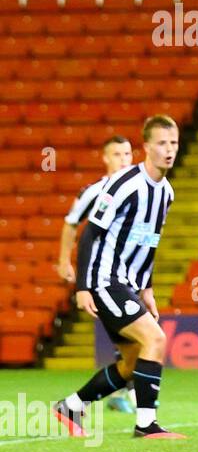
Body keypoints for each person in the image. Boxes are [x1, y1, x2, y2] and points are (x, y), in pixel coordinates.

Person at [53, 115, 182, 440]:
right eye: (162, 144)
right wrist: (83, 288)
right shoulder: (125, 184)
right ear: (146, 147)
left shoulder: (166, 192)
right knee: (155, 340)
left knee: (130, 363)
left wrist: (147, 288)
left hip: (126, 283)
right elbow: (88, 234)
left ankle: (70, 406)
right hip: (104, 280)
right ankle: (146, 425)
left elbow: (148, 241)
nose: (169, 150)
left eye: (174, 143)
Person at [57, 134, 136, 414]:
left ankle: (117, 395)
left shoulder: (137, 190)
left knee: (131, 338)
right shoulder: (95, 192)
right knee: (134, 337)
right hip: (103, 277)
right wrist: (64, 260)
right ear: (105, 158)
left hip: (128, 275)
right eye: (117, 154)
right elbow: (70, 224)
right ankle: (136, 400)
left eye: (128, 154)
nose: (124, 160)